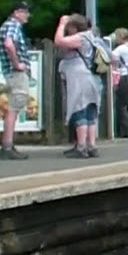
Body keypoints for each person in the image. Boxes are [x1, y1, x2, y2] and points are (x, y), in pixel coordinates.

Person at [54, 13, 108, 157]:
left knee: (79, 109)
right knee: (91, 111)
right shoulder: (93, 37)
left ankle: (81, 147)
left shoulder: (81, 38)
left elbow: (58, 41)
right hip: (93, 78)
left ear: (74, 27)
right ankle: (91, 145)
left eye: (69, 27)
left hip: (80, 79)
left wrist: (61, 23)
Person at [0, 1, 31, 160]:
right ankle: (7, 146)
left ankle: (7, 145)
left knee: (13, 107)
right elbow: (9, 44)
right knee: (14, 108)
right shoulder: (13, 25)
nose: (27, 16)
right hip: (16, 73)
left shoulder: (6, 26)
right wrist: (17, 64)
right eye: (25, 12)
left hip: (9, 73)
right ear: (17, 12)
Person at [111, 27, 128, 138]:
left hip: (124, 76)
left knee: (120, 104)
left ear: (121, 37)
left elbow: (109, 57)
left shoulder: (121, 48)